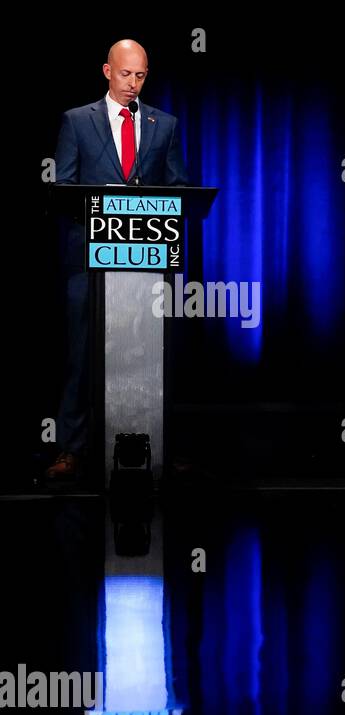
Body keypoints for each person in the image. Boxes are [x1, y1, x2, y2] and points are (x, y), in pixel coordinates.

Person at [47, 39, 189, 483]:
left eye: (141, 75)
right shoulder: (76, 121)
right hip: (89, 260)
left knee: (151, 353)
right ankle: (71, 448)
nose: (133, 83)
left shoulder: (163, 124)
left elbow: (177, 187)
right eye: (126, 74)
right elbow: (64, 187)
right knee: (81, 355)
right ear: (107, 71)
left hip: (146, 259)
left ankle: (157, 445)